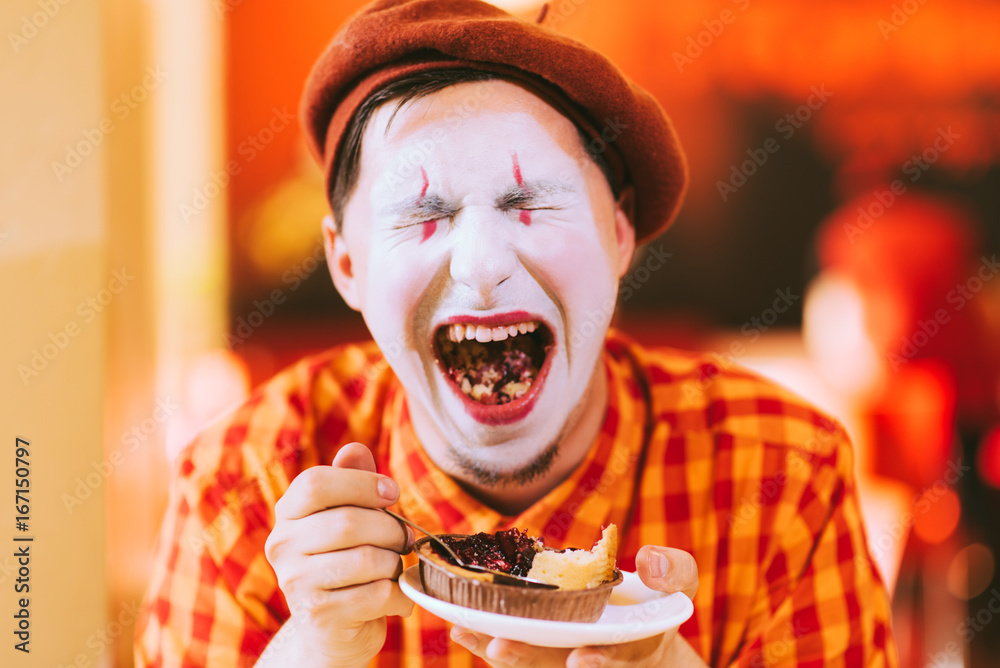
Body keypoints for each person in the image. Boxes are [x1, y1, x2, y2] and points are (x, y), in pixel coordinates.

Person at [134, 1, 897, 666]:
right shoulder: (240, 485)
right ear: (347, 264)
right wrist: (309, 651)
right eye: (425, 215)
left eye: (530, 201)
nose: (484, 265)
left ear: (620, 235)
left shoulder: (785, 475)